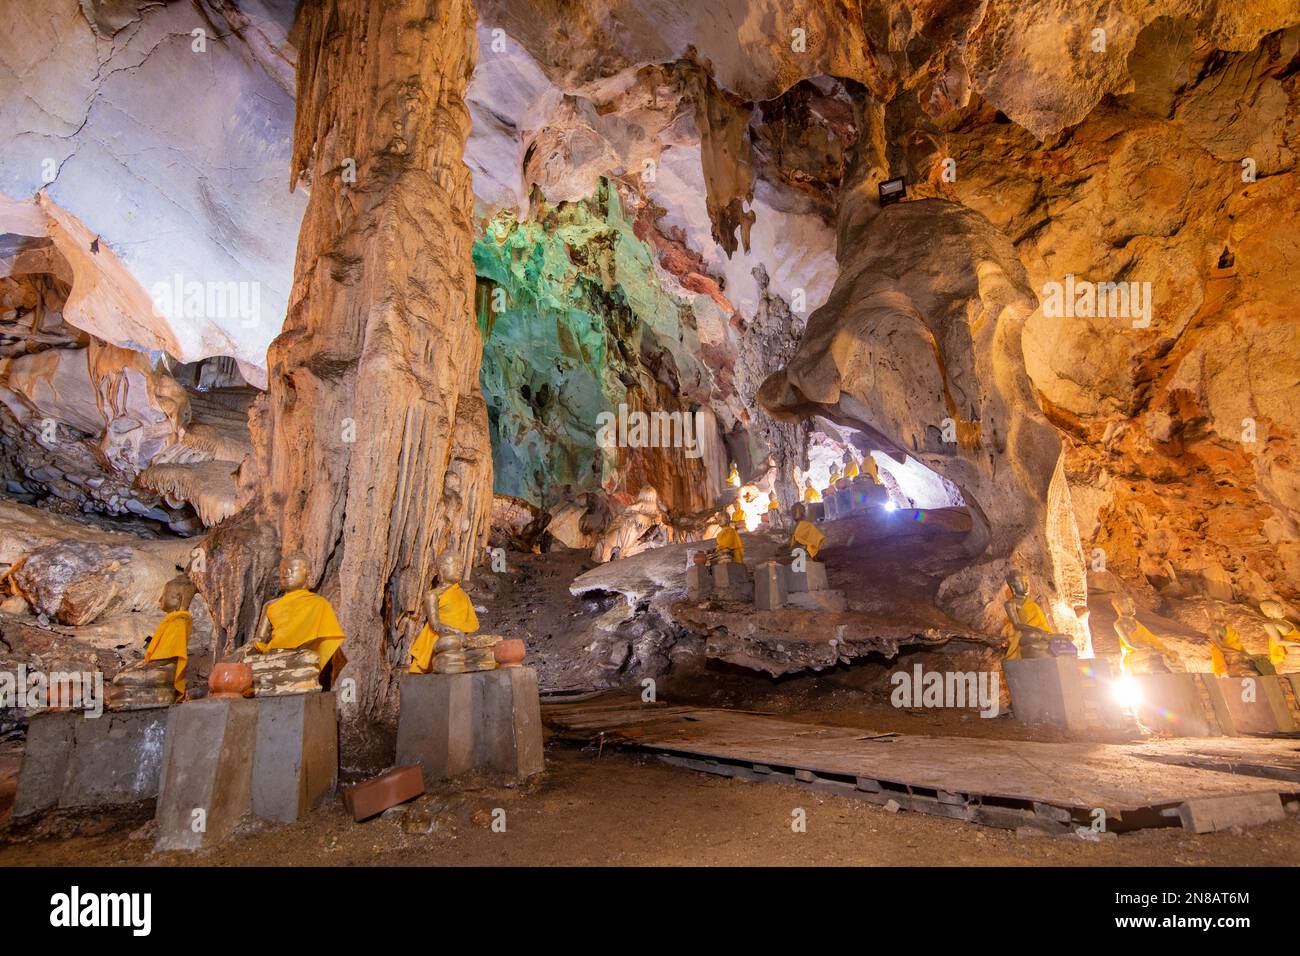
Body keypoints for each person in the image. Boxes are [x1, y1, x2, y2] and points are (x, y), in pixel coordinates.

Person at [251, 551, 346, 680]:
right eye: (283, 570)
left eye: (292, 570)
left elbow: (317, 643)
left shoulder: (318, 603)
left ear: (307, 573)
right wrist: (253, 647)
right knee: (248, 663)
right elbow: (260, 639)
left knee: (309, 658)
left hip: (299, 655)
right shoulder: (270, 605)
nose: (286, 574)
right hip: (272, 653)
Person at [142, 574, 196, 700]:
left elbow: (168, 658)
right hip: (157, 668)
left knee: (126, 677)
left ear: (178, 598)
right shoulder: (172, 621)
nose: (160, 599)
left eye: (165, 595)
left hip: (164, 671)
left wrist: (145, 666)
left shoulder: (179, 623)